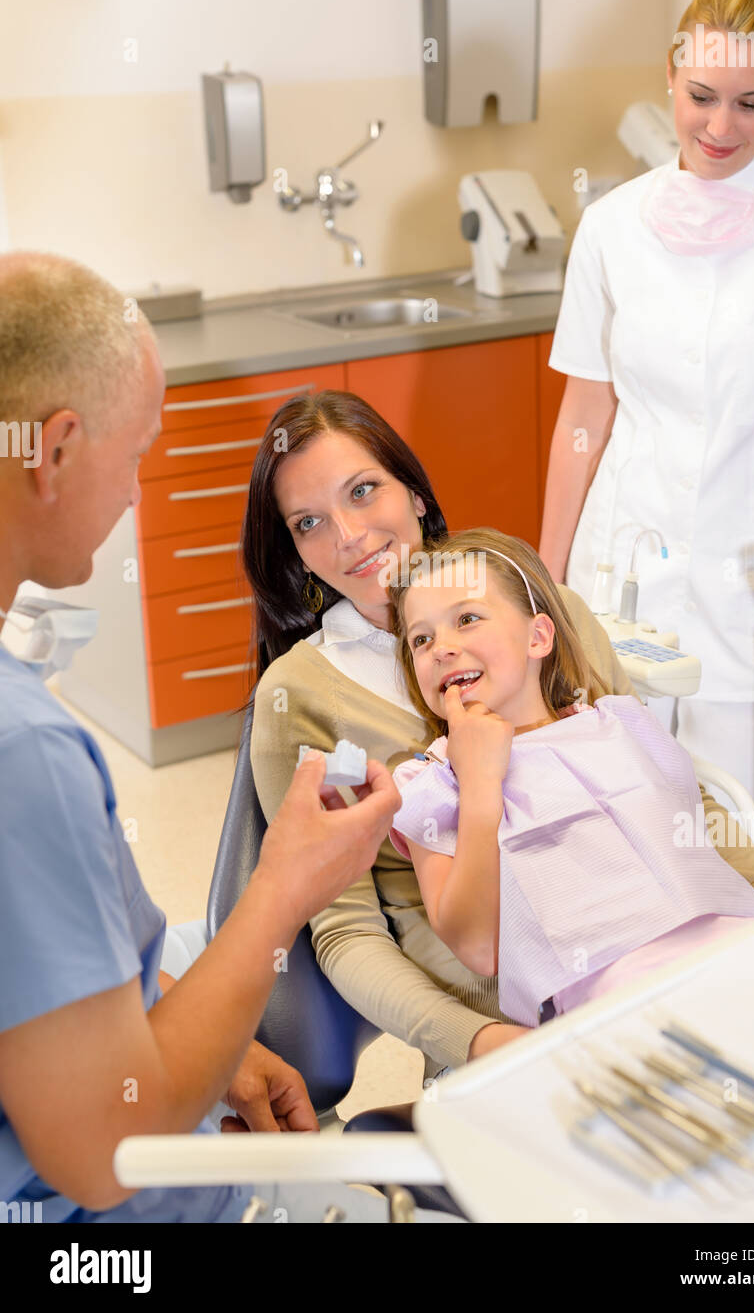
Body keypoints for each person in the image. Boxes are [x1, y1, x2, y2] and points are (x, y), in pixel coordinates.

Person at [0, 251, 459, 1224]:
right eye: (134, 457)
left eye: (366, 492)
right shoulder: (26, 751)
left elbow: (45, 984)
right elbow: (102, 1155)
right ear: (55, 448)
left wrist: (180, 1024)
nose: (135, 495)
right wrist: (284, 884)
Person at [247, 391, 754, 1087]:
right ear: (292, 549)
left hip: (695, 965)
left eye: (363, 491)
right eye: (308, 522)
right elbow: (346, 930)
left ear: (414, 493)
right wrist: (479, 1042)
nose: (350, 535)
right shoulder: (301, 698)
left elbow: (682, 812)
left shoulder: (545, 605)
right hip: (528, 1031)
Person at [539, 0, 754, 826]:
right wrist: (544, 580)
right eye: (701, 97)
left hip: (753, 598)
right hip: (622, 577)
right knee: (618, 834)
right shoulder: (610, 227)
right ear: (670, 79)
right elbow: (583, 416)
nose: (720, 127)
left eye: (751, 103)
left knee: (737, 846)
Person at [386, 529, 754, 1029]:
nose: (442, 648)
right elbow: (479, 950)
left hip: (744, 948)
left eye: (467, 619)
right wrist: (481, 787)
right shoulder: (434, 785)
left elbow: (694, 842)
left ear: (538, 637)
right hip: (619, 1006)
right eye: (422, 639)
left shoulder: (618, 722)